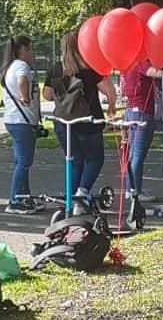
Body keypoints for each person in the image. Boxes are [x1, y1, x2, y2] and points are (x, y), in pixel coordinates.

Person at [43, 30, 117, 198]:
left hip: (63, 122)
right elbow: (110, 91)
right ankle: (82, 191)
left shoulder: (56, 69)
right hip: (88, 120)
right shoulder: (90, 67)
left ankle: (70, 198)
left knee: (75, 160)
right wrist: (111, 107)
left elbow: (47, 95)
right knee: (95, 158)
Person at [1, 34, 43, 214]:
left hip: (14, 119)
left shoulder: (9, 67)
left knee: (22, 161)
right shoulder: (21, 66)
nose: (31, 53)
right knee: (24, 162)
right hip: (22, 121)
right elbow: (22, 80)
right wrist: (25, 96)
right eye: (30, 49)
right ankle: (15, 200)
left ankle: (24, 196)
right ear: (23, 49)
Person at [119, 56, 162, 201]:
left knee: (133, 154)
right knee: (137, 154)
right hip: (142, 111)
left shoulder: (127, 61)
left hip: (132, 110)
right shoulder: (140, 62)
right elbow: (153, 72)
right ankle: (134, 191)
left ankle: (132, 188)